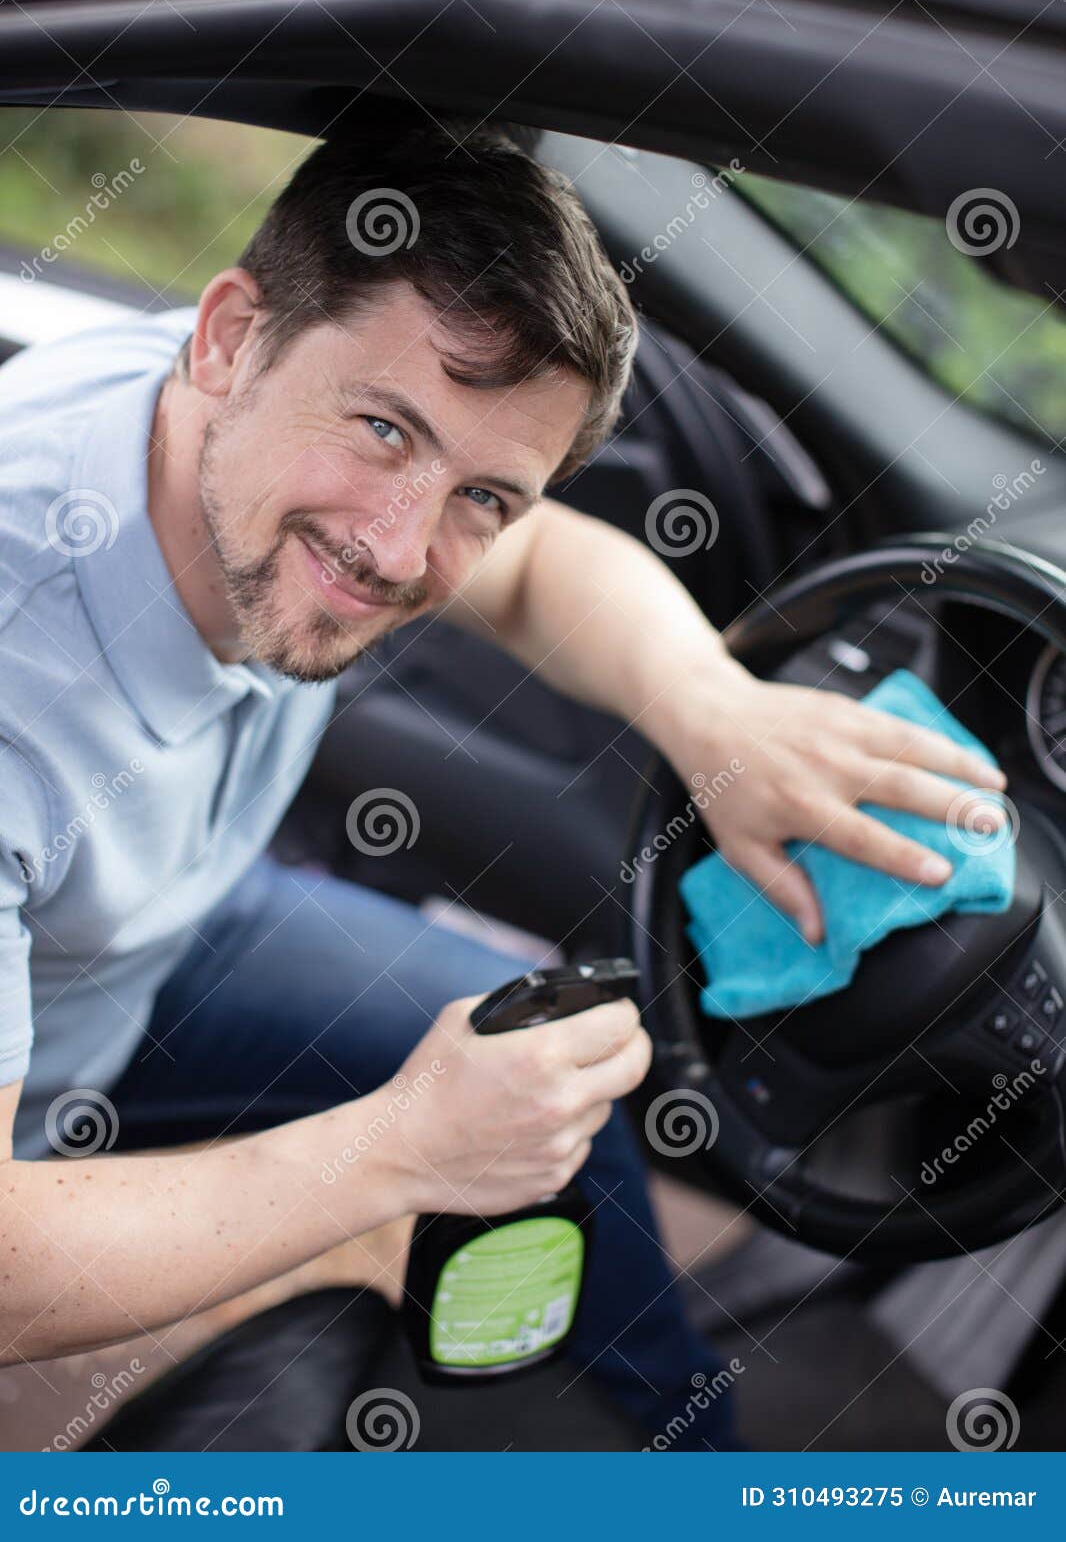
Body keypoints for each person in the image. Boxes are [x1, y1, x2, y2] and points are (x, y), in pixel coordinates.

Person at [0, 109, 1006, 1450]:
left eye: (483, 491)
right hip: (52, 1045)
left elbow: (535, 571)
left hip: (147, 924)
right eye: (381, 428)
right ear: (230, 334)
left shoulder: (241, 411)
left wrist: (720, 716)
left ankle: (683, 1471)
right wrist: (398, 1149)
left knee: (532, 1080)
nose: (400, 548)